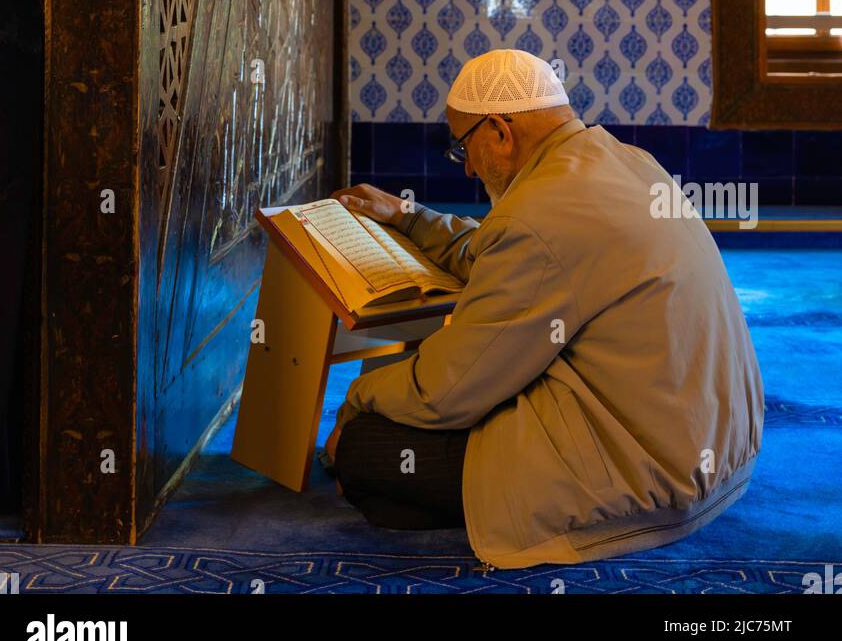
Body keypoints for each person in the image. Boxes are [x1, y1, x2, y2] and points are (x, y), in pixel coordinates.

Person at [325, 48, 764, 569]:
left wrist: (357, 398)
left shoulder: (539, 217)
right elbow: (496, 250)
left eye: (462, 146)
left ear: (500, 132)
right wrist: (410, 216)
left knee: (364, 449)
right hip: (720, 458)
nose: (465, 166)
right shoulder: (625, 161)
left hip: (649, 484)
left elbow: (447, 392)